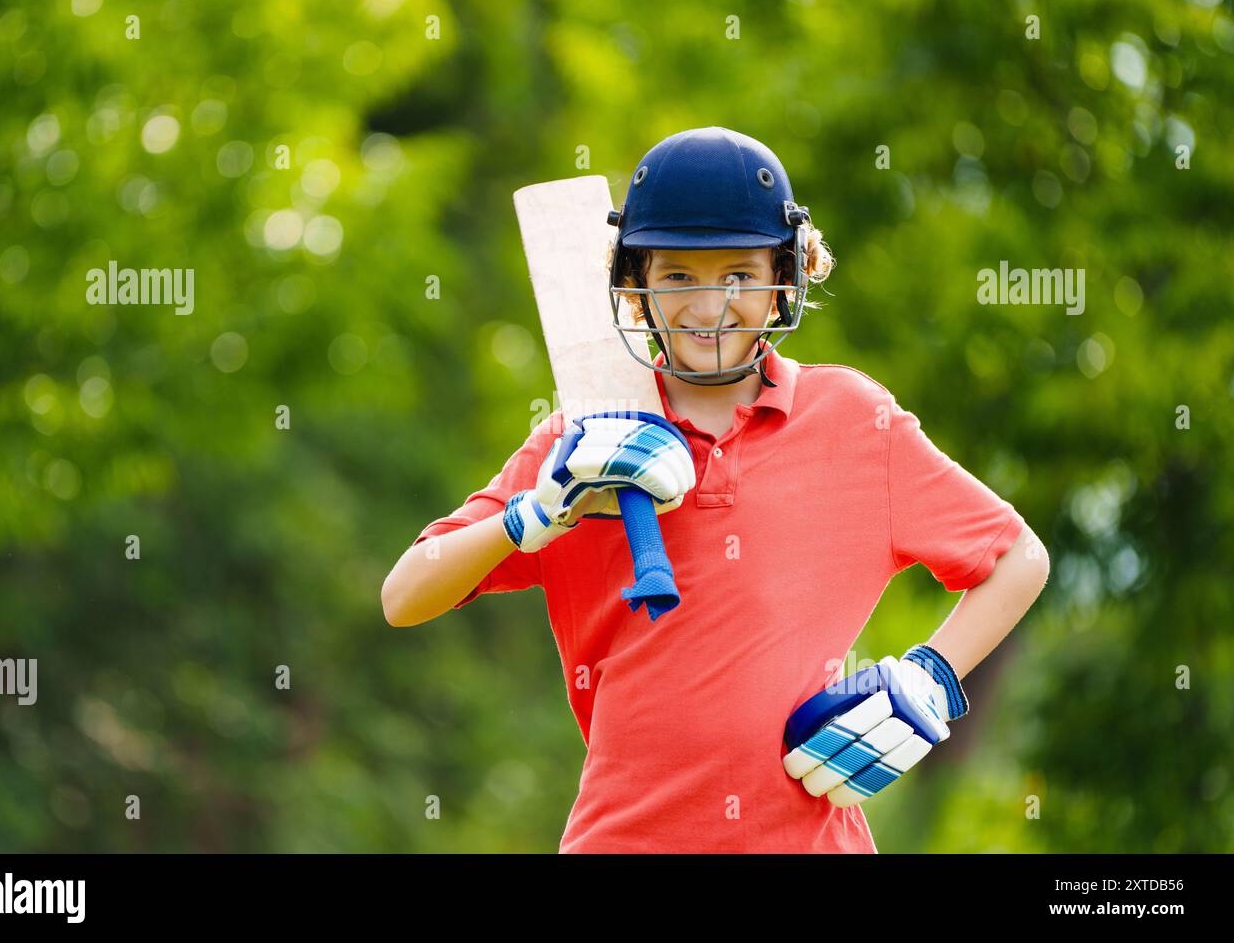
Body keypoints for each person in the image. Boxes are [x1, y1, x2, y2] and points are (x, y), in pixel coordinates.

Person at [381, 127, 1050, 853]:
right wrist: (532, 516)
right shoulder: (579, 444)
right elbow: (404, 595)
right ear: (634, 285)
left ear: (787, 275)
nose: (708, 309)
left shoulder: (854, 421)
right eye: (677, 277)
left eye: (738, 275)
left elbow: (1019, 556)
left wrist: (931, 676)